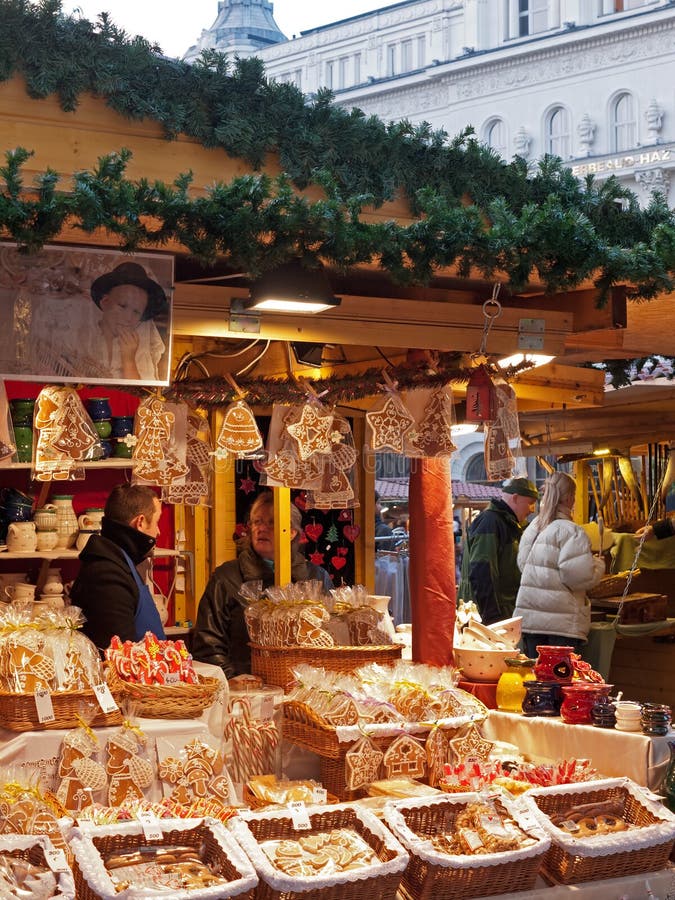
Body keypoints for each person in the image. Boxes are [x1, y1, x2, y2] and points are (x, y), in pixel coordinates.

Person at [191, 491, 333, 678]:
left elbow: (332, 639)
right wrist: (234, 680)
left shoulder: (317, 578)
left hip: (305, 686)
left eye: (272, 522)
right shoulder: (226, 578)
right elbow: (208, 646)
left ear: (291, 532)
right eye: (257, 521)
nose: (262, 528)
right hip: (245, 689)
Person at [514, 472, 605, 659]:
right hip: (562, 626)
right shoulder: (572, 531)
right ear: (570, 498)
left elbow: (523, 566)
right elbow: (578, 578)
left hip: (530, 622)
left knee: (535, 675)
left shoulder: (534, 527)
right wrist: (598, 564)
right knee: (560, 677)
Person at [69, 483, 165, 652]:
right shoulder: (107, 574)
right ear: (140, 522)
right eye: (157, 522)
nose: (158, 532)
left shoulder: (119, 561)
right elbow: (118, 653)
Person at [458, 476, 539, 625]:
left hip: (503, 612)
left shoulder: (510, 524)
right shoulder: (490, 522)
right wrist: (492, 616)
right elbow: (482, 570)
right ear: (515, 498)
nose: (532, 509)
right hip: (485, 617)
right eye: (530, 503)